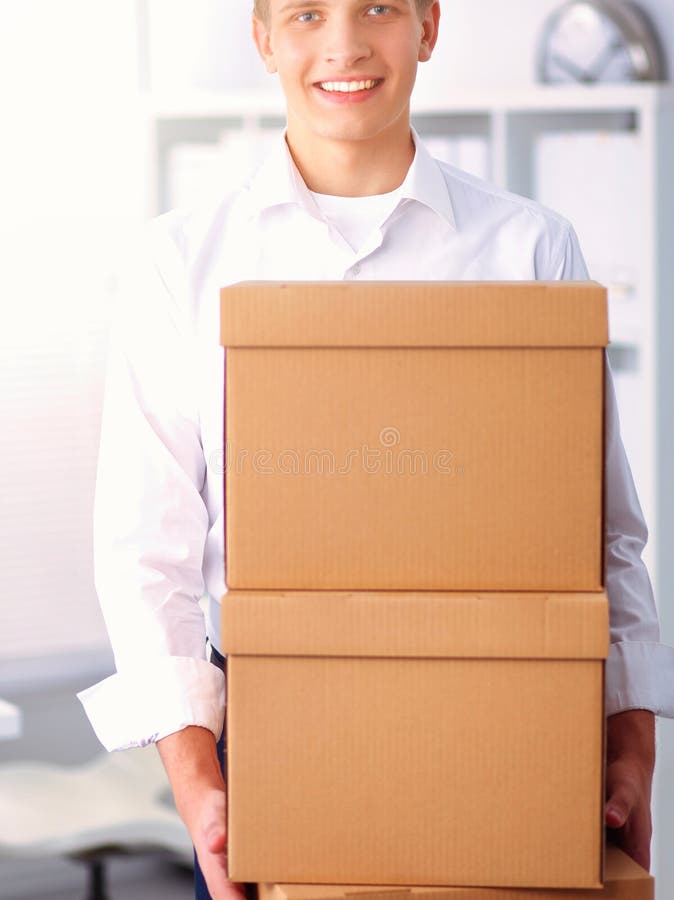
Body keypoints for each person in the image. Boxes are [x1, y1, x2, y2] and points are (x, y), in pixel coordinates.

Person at [77, 1, 674, 898]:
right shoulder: (182, 262)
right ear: (263, 36)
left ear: (429, 27)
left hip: (506, 725)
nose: (345, 45)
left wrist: (632, 744)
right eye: (308, 12)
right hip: (271, 735)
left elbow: (603, 531)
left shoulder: (527, 248)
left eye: (380, 8)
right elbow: (144, 550)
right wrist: (201, 787)